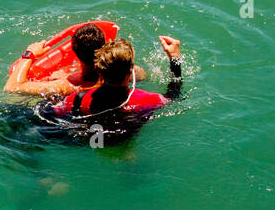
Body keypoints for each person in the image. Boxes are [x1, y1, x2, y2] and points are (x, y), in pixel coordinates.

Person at [43, 35, 181, 138]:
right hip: (123, 140)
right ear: (130, 72)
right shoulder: (147, 100)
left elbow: (51, 113)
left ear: (99, 72)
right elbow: (174, 97)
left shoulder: (78, 100)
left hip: (93, 140)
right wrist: (175, 59)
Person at [4, 22, 146, 98]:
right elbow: (143, 75)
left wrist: (29, 54)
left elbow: (12, 87)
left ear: (74, 52)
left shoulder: (64, 86)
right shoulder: (124, 73)